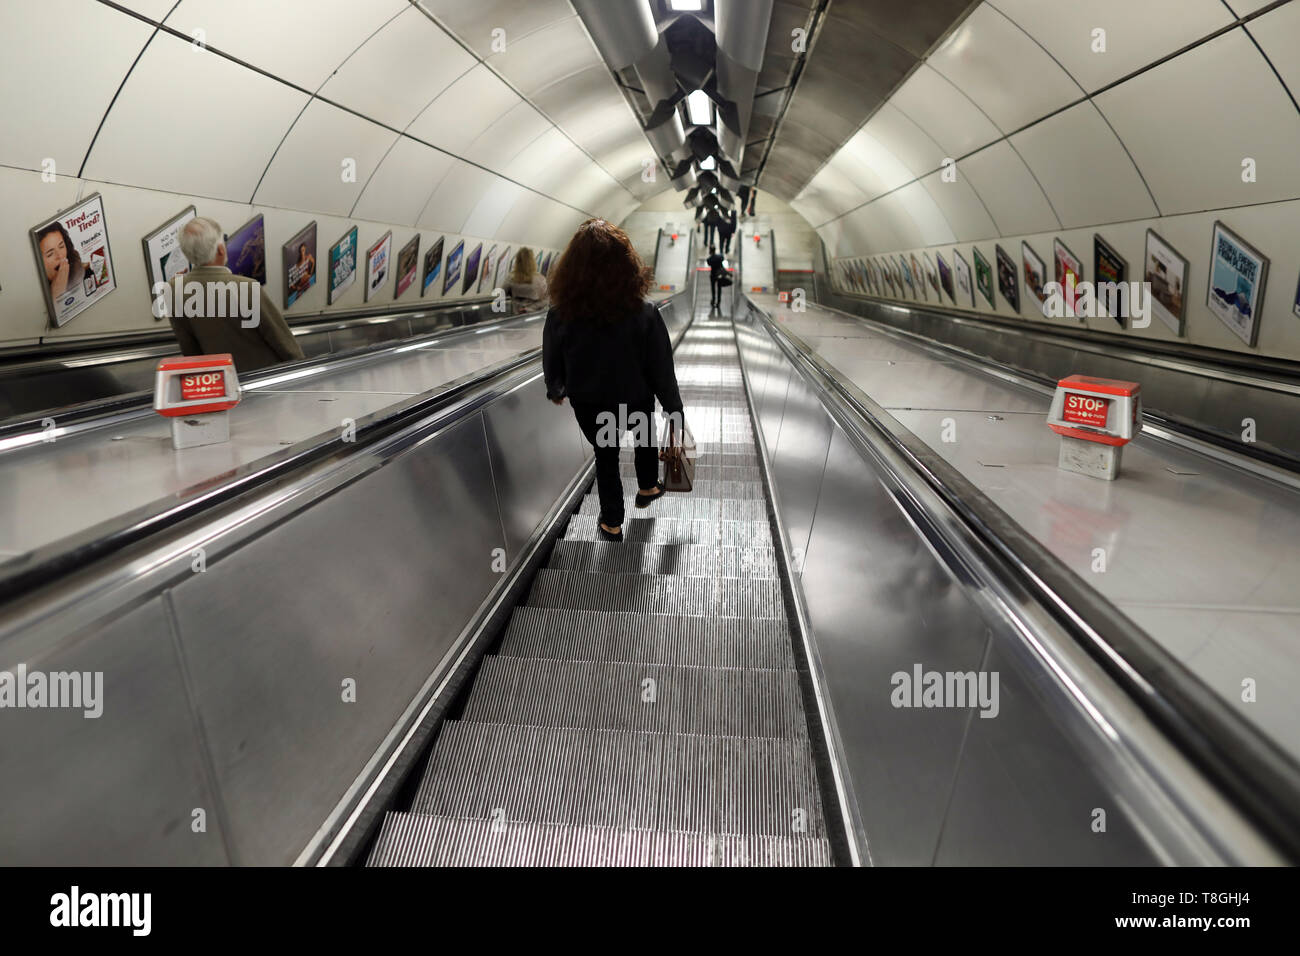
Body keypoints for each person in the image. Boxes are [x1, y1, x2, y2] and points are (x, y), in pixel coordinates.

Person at [543, 219, 684, 543]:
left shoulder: (561, 313)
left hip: (590, 402)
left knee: (605, 455)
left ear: (572, 267)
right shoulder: (644, 313)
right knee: (644, 433)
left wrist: (556, 387)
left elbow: (552, 352)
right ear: (625, 264)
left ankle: (612, 523)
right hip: (634, 397)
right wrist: (673, 407)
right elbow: (660, 365)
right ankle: (648, 485)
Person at [168, 217, 304, 372]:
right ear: (221, 249)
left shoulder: (174, 290)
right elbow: (282, 340)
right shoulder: (246, 287)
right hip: (264, 378)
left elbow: (189, 348)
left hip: (220, 381)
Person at [36, 221, 96, 316]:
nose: (60, 256)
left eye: (61, 246)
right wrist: (56, 294)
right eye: (50, 254)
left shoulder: (85, 272)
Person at [507, 247, 548, 314]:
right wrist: (529, 308)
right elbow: (546, 300)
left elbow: (501, 293)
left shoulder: (512, 277)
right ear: (533, 261)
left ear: (517, 261)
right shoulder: (541, 279)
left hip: (515, 313)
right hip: (533, 315)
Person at [707, 245, 726, 310]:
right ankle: (718, 301)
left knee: (713, 288)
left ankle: (713, 300)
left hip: (713, 275)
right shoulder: (720, 257)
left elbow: (709, 264)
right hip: (719, 275)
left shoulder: (709, 259)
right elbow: (723, 258)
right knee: (719, 288)